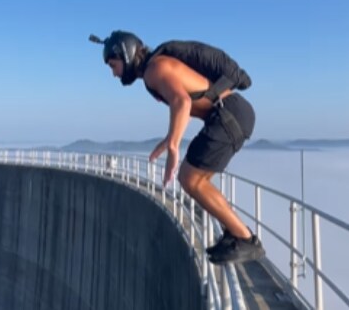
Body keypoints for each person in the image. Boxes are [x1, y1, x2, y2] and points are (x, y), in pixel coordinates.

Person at [91, 30, 266, 265]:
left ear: (126, 55)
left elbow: (182, 102)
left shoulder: (155, 69)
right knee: (197, 181)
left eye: (113, 65)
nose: (114, 74)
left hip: (228, 115)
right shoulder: (156, 68)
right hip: (232, 113)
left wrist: (173, 145)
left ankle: (245, 239)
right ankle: (234, 233)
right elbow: (186, 102)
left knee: (189, 179)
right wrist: (169, 138)